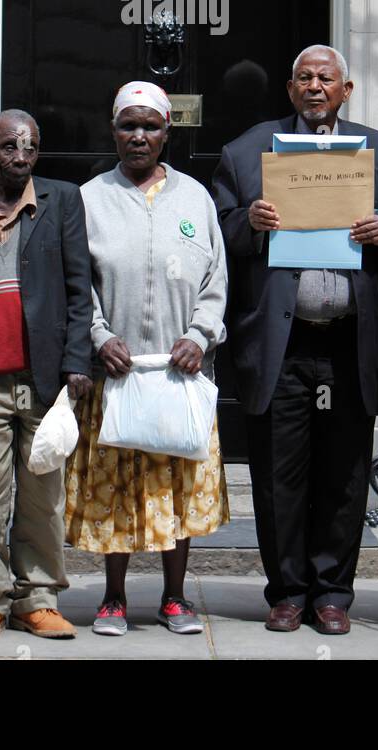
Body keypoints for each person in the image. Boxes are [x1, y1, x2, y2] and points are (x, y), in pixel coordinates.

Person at [212, 45, 378, 635]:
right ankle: (287, 591)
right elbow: (217, 234)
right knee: (280, 475)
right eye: (304, 77)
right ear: (290, 88)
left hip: (351, 341)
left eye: (327, 78)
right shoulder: (247, 152)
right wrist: (248, 223)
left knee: (346, 472)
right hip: (283, 342)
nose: (316, 86)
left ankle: (333, 593)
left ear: (346, 90)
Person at [65, 81, 229, 637]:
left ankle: (175, 597)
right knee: (117, 489)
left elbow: (216, 280)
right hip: (120, 374)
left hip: (179, 374)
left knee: (175, 490)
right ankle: (112, 599)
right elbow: (75, 282)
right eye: (129, 126)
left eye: (151, 126)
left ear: (167, 133)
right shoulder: (89, 198)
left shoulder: (195, 199)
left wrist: (201, 335)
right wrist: (97, 335)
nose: (140, 136)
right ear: (113, 131)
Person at [0, 109, 93, 641]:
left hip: (44, 376)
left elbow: (80, 287)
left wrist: (77, 360)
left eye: (30, 148)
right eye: (9, 147)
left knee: (42, 494)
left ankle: (40, 597)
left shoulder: (62, 199)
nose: (21, 157)